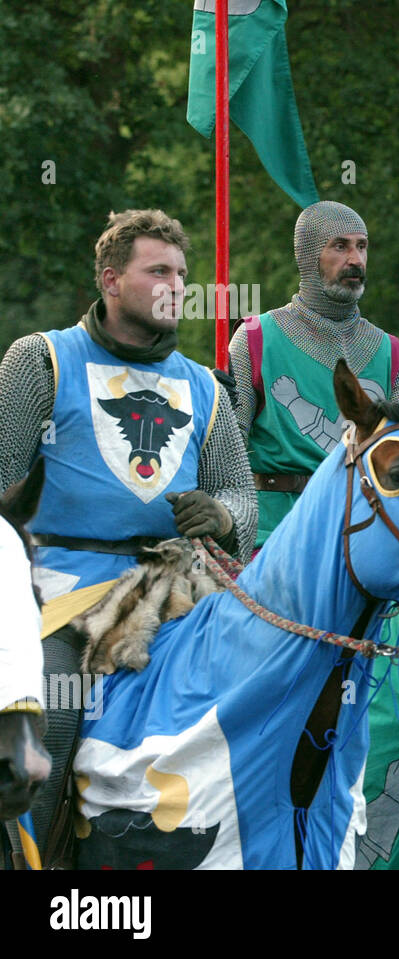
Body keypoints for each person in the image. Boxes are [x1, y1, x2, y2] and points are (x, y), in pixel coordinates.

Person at [0, 208, 256, 862]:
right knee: (48, 717)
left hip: (176, 592)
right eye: (158, 271)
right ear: (112, 280)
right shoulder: (43, 360)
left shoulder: (205, 387)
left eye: (182, 272)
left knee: (256, 698)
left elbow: (241, 495)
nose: (176, 284)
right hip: (60, 587)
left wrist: (222, 516)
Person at [228, 200, 399, 548]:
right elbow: (226, 455)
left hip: (362, 533)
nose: (355, 259)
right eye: (340, 246)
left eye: (362, 246)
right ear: (309, 257)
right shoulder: (256, 339)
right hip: (274, 534)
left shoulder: (391, 353)